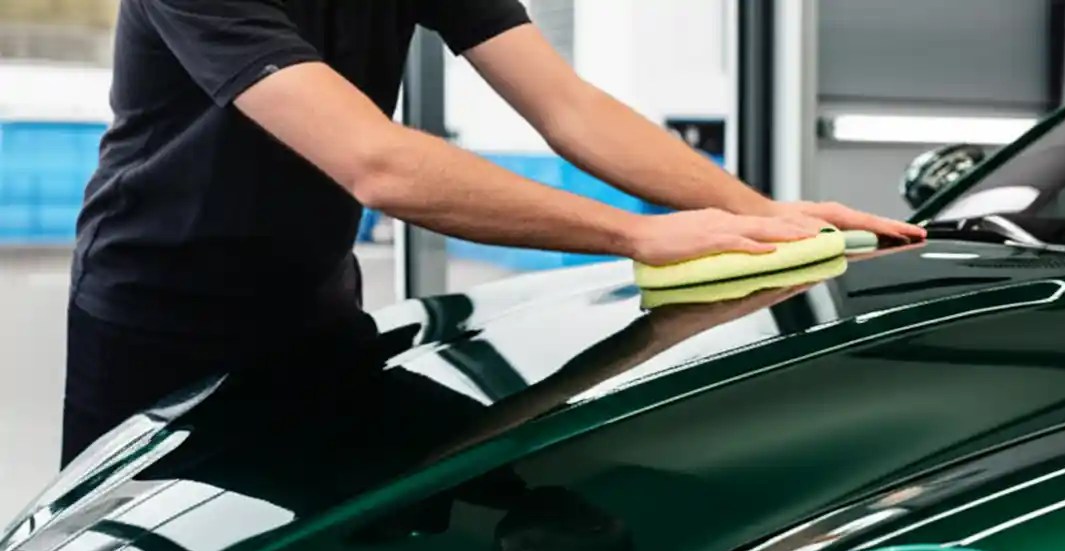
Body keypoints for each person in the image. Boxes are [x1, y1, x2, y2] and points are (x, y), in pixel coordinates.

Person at [62, 0, 926, 467]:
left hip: (315, 302)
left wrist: (762, 213)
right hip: (155, 313)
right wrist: (635, 235)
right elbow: (379, 162)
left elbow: (570, 109)